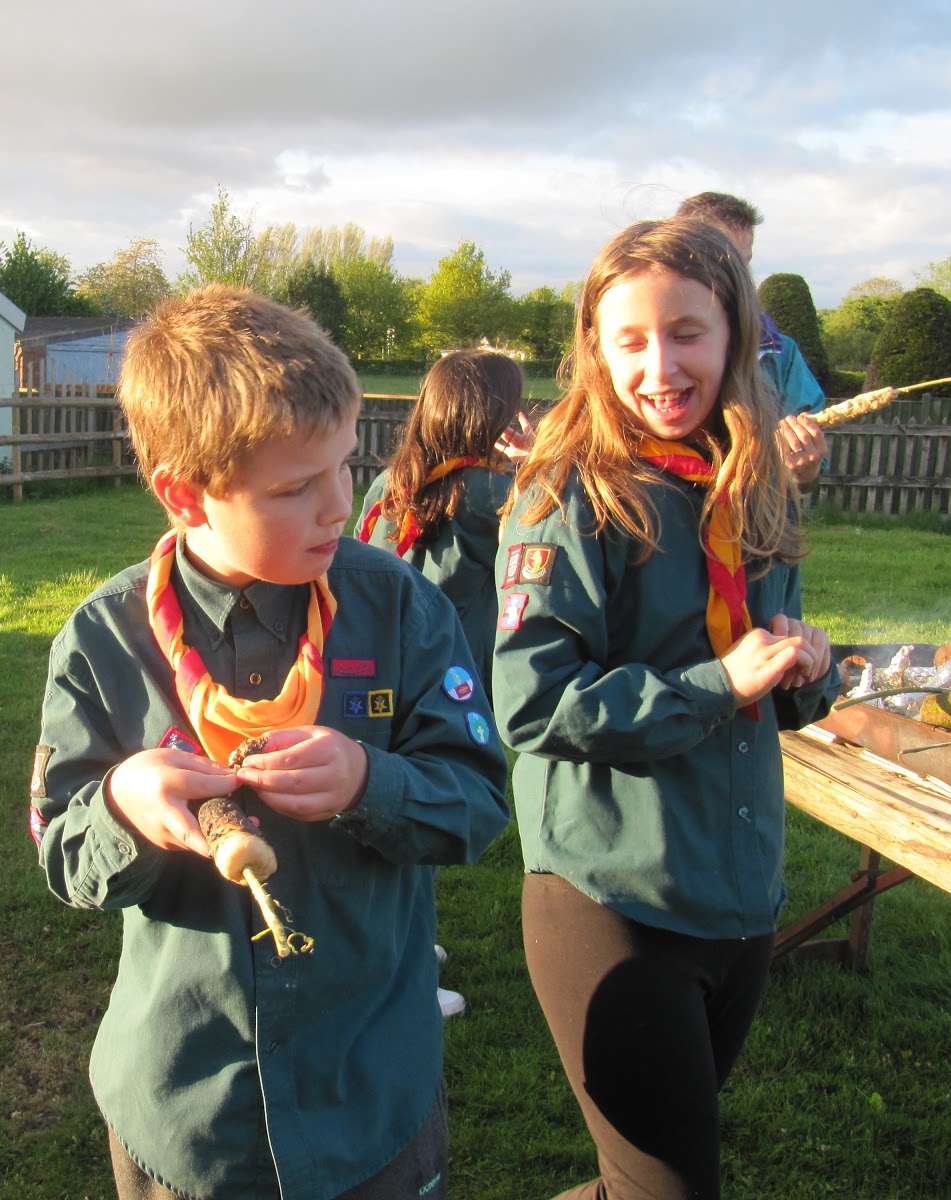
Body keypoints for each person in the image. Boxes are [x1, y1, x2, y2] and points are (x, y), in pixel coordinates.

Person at [31, 285, 510, 1200]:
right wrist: (126, 806)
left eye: (345, 465)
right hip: (192, 1116)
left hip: (370, 1098)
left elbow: (479, 801)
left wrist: (373, 780)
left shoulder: (401, 608)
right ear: (183, 495)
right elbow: (63, 853)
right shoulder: (103, 641)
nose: (340, 504)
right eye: (295, 487)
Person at [492, 217, 839, 1200]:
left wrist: (804, 667)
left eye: (686, 331)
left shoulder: (752, 483)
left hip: (737, 894)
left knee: (637, 1181)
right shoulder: (568, 494)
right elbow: (532, 703)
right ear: (594, 350)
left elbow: (779, 683)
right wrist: (716, 684)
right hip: (613, 896)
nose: (659, 366)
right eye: (630, 339)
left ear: (732, 333)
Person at [357, 348, 528, 1019]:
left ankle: (414, 945)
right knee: (416, 825)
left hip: (371, 675)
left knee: (391, 813)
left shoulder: (391, 485)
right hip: (444, 689)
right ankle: (404, 973)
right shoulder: (500, 494)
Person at [675, 191, 829, 490]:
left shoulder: (779, 354)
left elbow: (805, 481)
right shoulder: (644, 348)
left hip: (750, 529)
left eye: (744, 263)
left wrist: (804, 472)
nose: (740, 277)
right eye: (724, 260)